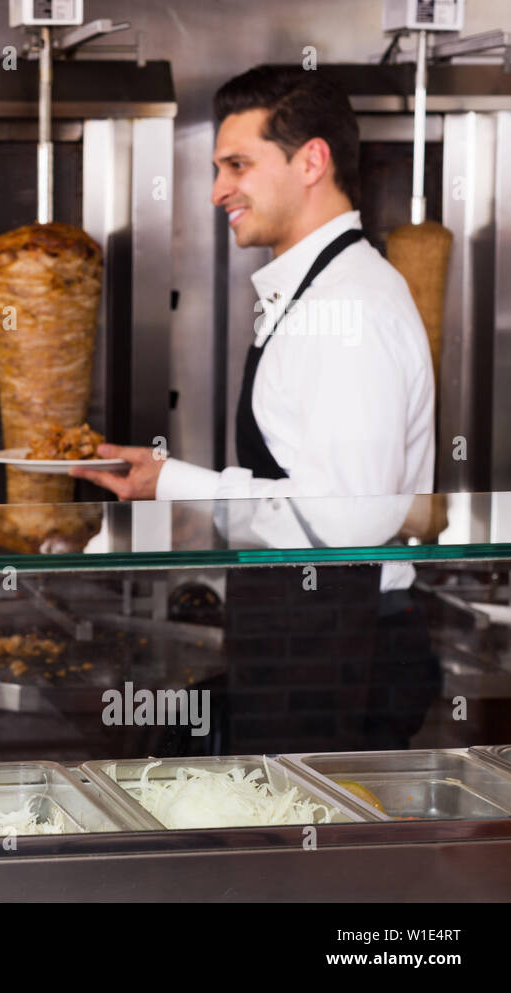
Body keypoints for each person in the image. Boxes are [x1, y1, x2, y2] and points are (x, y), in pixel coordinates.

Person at [72, 67, 439, 751]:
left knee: (306, 854)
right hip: (308, 639)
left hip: (344, 649)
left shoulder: (347, 309)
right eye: (218, 167)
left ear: (312, 160)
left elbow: (346, 517)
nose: (218, 191)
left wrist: (175, 481)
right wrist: (162, 476)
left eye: (237, 164)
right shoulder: (317, 291)